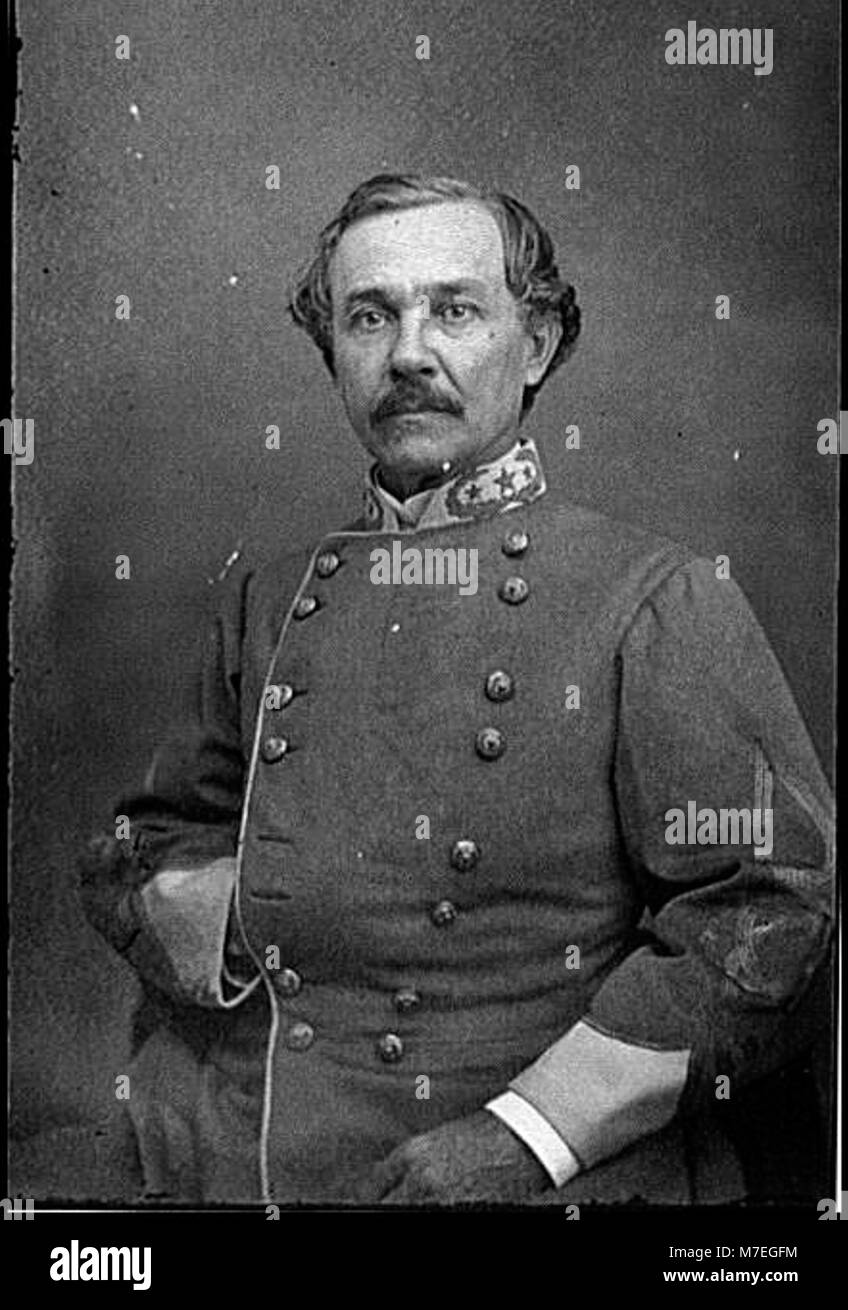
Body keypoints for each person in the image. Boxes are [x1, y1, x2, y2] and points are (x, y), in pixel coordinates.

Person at [79, 173, 834, 1206]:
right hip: (255, 1160)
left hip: (535, 1177)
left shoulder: (653, 595)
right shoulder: (263, 600)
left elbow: (767, 905)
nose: (407, 355)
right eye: (369, 316)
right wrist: (265, 916)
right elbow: (142, 846)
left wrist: (524, 1137)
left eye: (454, 309)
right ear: (331, 351)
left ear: (533, 346)